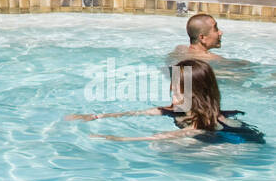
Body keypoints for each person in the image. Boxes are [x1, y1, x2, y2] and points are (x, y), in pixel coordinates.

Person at [94, 59, 265, 144]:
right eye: (173, 91)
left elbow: (167, 136)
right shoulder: (180, 109)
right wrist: (97, 117)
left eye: (178, 93)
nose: (173, 98)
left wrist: (119, 139)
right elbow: (139, 113)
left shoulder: (207, 123)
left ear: (197, 96)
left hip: (237, 140)